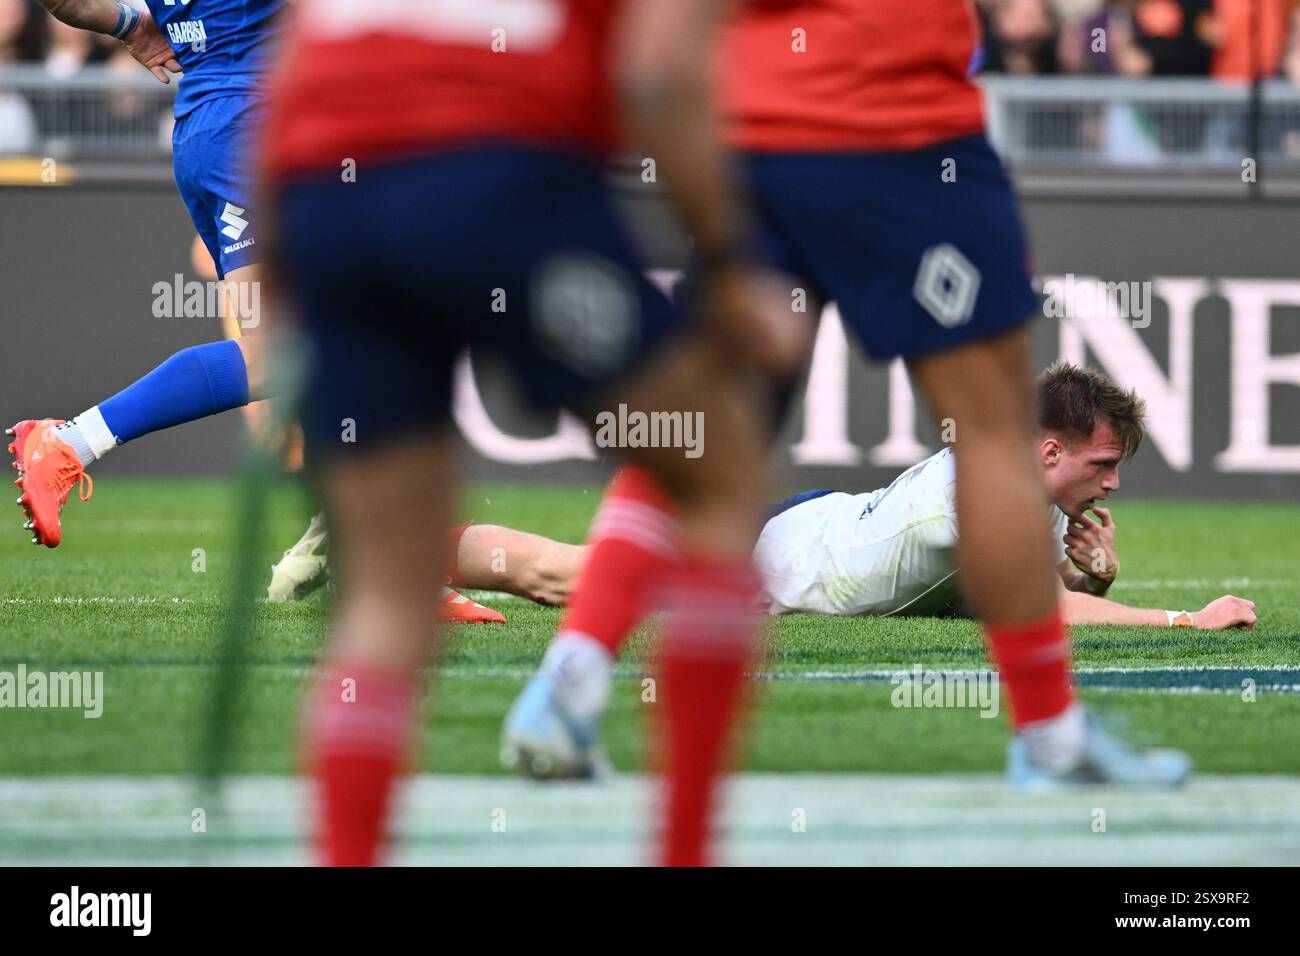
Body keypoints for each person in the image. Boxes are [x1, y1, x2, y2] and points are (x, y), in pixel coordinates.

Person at [502, 0, 1193, 790]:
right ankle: (1051, 736)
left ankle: (570, 682)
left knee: (699, 437)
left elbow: (656, 47)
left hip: (753, 129)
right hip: (900, 125)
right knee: (995, 433)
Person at [261, 0, 803, 867]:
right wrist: (731, 263)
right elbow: (658, 72)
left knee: (386, 593)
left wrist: (288, 259)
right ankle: (687, 850)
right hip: (504, 171)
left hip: (329, 188)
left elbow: (288, 63)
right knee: (717, 476)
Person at [432, 364, 1258, 632]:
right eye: (1105, 461)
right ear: (1050, 450)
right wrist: (1183, 619)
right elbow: (1034, 608)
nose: (1113, 482)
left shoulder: (1016, 484)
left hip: (812, 524)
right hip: (769, 555)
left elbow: (1004, 590)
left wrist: (1095, 579)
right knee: (560, 579)